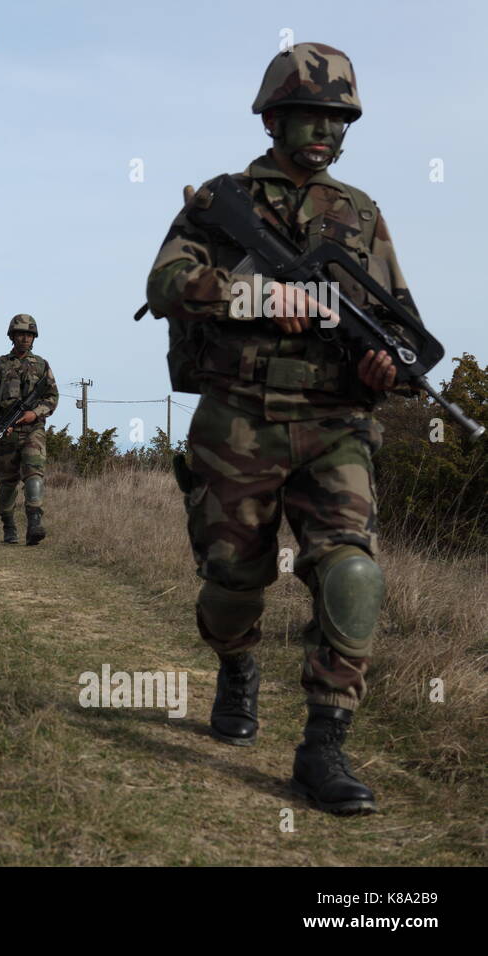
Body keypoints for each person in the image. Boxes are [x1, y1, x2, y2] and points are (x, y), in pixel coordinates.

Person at [145, 43, 422, 814]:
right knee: (232, 582)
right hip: (238, 419)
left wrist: (386, 371)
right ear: (273, 117)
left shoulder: (360, 214)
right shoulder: (223, 200)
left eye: (339, 119)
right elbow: (165, 282)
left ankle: (323, 746)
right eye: (311, 115)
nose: (326, 131)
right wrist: (256, 296)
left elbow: (398, 324)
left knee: (353, 573)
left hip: (336, 424)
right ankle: (237, 667)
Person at [0, 315, 59, 545]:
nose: (24, 338)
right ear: (12, 336)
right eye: (20, 334)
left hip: (33, 428)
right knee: (7, 482)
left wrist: (35, 413)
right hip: (8, 431)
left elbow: (52, 397)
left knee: (34, 474)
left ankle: (35, 523)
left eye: (29, 334)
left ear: (34, 338)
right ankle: (9, 525)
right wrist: (1, 423)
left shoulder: (42, 365)